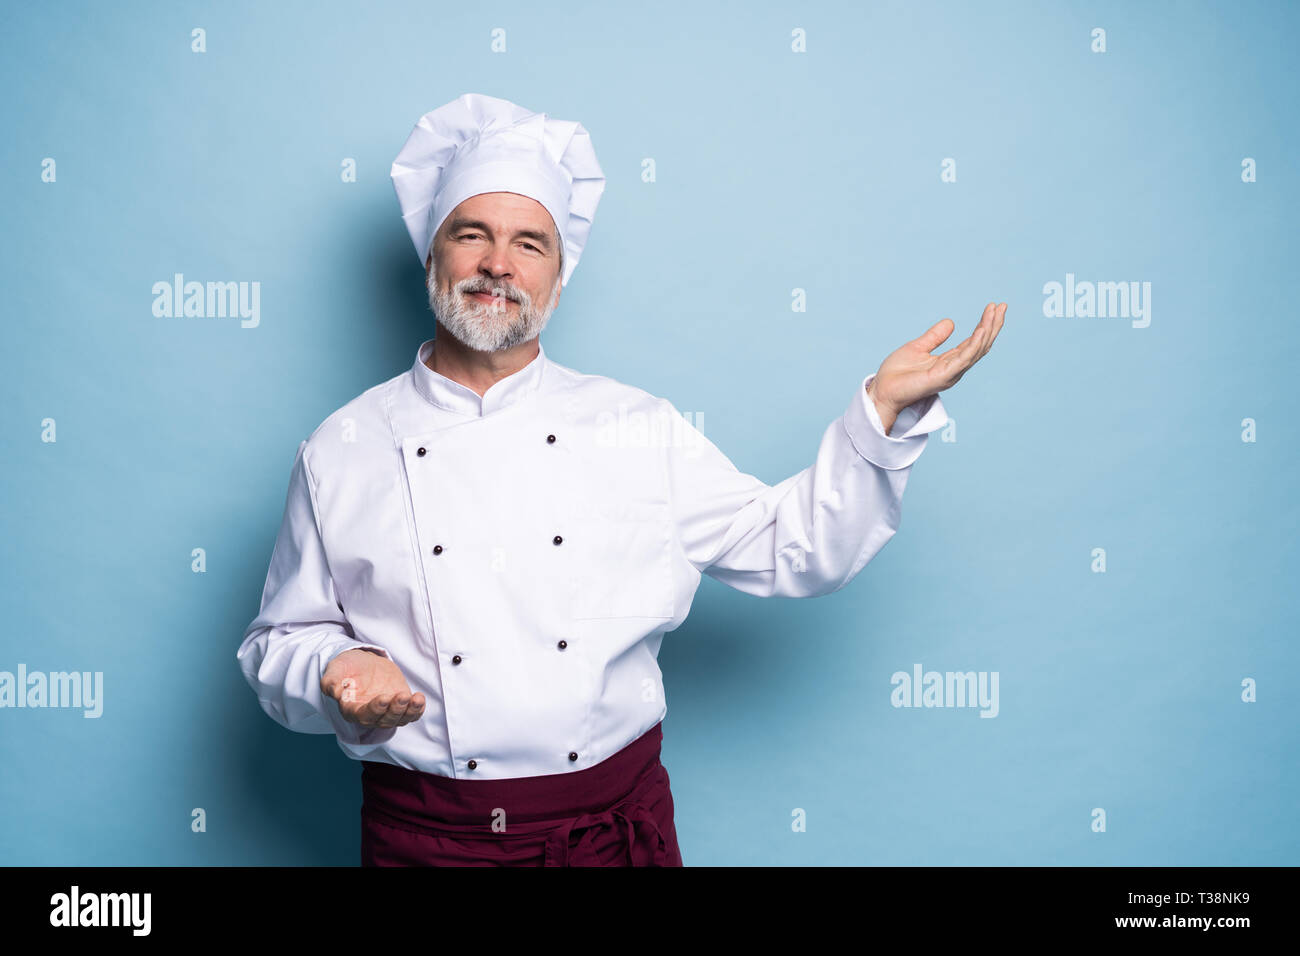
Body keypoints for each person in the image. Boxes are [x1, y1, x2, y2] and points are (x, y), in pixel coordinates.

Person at [236, 92, 1006, 867]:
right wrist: (334, 666)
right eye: (472, 234)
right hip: (431, 841)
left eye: (530, 244)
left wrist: (879, 415)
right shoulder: (341, 446)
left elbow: (798, 549)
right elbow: (278, 644)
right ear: (432, 258)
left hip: (606, 836)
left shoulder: (637, 426)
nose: (499, 263)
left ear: (558, 279)